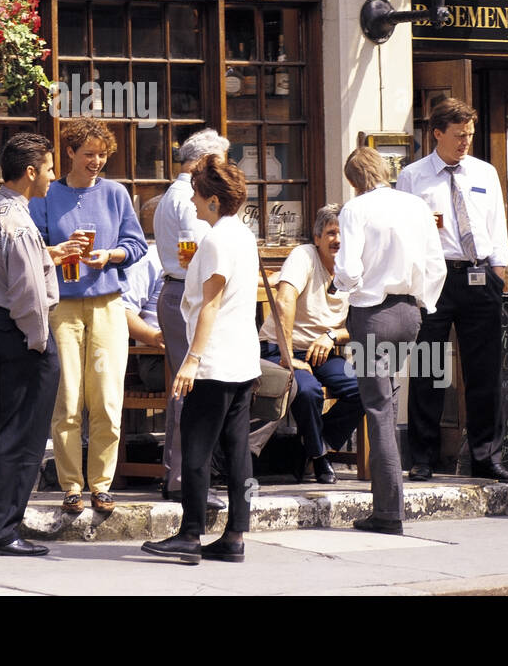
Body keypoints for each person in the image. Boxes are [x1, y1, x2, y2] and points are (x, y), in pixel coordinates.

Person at [0, 133, 82, 556]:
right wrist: (38, 339)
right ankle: (0, 532)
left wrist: (48, 253)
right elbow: (28, 289)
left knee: (7, 431)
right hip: (21, 330)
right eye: (49, 168)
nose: (53, 176)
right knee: (24, 435)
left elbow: (3, 267)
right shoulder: (17, 220)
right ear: (31, 172)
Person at [141, 155, 259, 565]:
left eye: (195, 193)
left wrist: (192, 360)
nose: (190, 200)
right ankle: (235, 536)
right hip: (242, 358)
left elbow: (210, 305)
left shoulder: (216, 241)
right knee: (238, 449)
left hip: (215, 360)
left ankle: (190, 533)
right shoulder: (242, 234)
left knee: (195, 447)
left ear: (212, 200)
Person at [30, 118, 148, 515]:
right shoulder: (47, 195)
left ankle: (101, 484)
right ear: (70, 154)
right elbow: (34, 246)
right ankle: (70, 486)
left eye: (101, 154)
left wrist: (111, 255)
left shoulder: (116, 194)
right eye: (88, 154)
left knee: (107, 398)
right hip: (62, 305)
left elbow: (137, 244)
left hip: (108, 304)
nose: (96, 161)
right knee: (67, 400)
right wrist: (62, 249)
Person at [396, 97, 508, 482]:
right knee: (431, 368)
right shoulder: (413, 177)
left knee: (484, 372)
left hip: (480, 277)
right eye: (459, 135)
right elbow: (405, 233)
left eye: (469, 134)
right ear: (437, 134)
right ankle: (424, 457)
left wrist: (500, 268)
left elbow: (497, 227)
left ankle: (486, 457)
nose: (466, 141)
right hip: (435, 278)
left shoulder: (484, 173)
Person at [334, 147, 445, 535]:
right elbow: (437, 265)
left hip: (373, 314)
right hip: (409, 313)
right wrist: (423, 303)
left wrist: (343, 289)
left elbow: (348, 267)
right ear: (383, 170)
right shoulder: (415, 205)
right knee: (389, 401)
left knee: (379, 410)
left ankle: (388, 512)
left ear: (353, 181)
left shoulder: (356, 209)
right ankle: (388, 507)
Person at [152, 128, 229, 501]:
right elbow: (195, 252)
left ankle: (181, 474)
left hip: (179, 290)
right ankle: (184, 477)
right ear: (204, 162)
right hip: (187, 292)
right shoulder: (187, 199)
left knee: (187, 386)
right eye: (220, 163)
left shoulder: (176, 194)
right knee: (191, 386)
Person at [261, 204, 364, 485]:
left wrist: (332, 336)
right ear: (317, 238)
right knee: (307, 391)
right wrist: (286, 354)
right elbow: (284, 301)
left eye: (343, 233)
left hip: (322, 352)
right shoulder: (303, 256)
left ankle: (309, 448)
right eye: (331, 233)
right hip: (277, 348)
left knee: (365, 387)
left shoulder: (354, 267)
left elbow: (360, 323)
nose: (338, 240)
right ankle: (319, 459)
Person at [118, 244, 167, 393]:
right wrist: (154, 337)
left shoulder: (211, 252)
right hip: (158, 357)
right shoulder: (153, 257)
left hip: (204, 354)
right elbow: (121, 311)